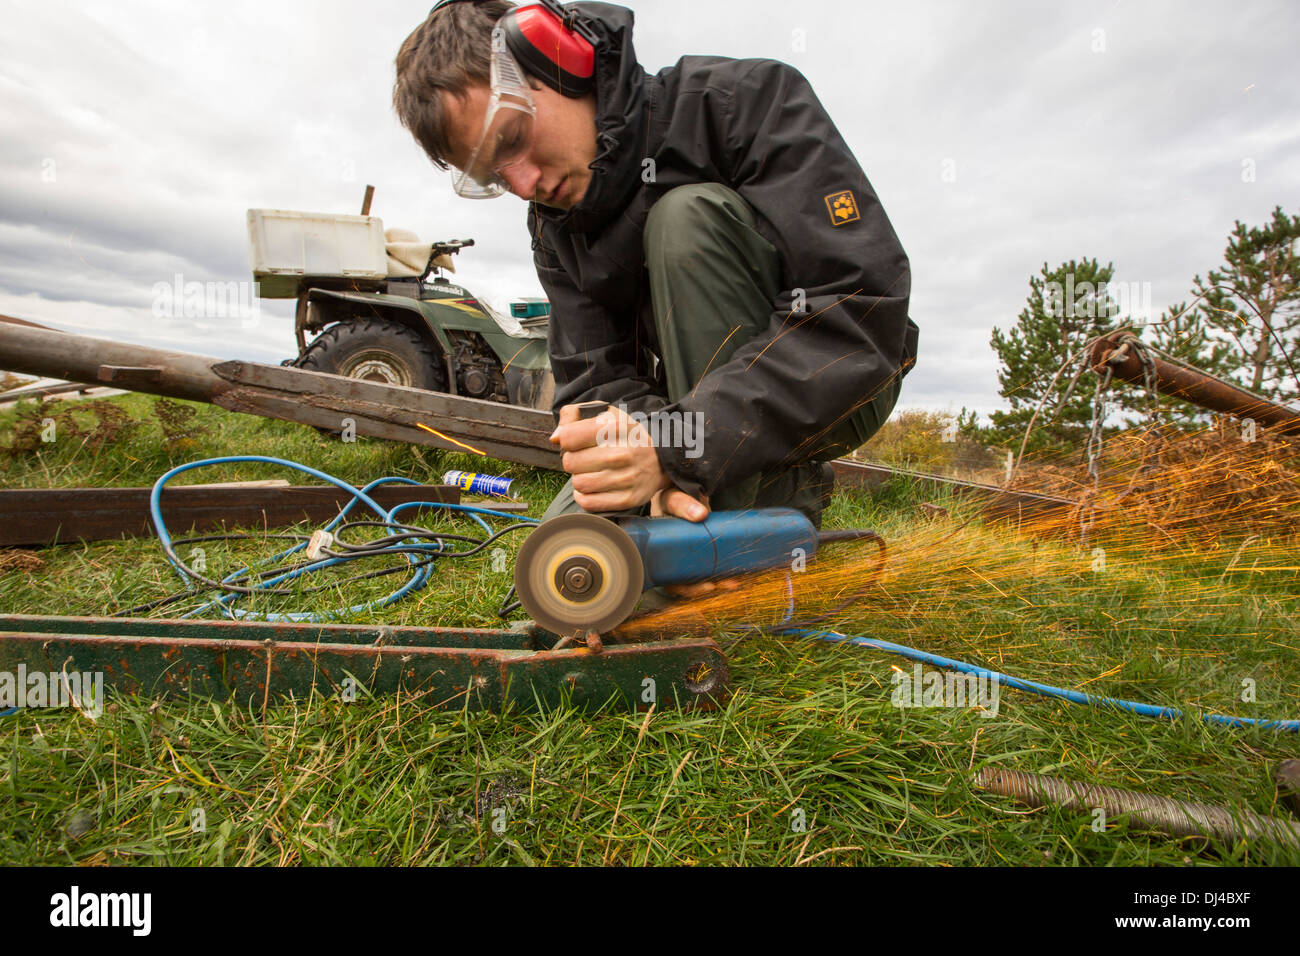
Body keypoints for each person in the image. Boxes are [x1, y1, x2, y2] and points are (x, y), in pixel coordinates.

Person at [394, 0, 918, 536]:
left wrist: (675, 448)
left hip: (846, 382)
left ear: (561, 60)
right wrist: (640, 453)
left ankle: (749, 527)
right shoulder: (554, 226)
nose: (525, 184)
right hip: (685, 421)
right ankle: (732, 500)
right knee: (571, 540)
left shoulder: (747, 102)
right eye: (496, 176)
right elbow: (592, 383)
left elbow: (859, 307)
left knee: (684, 218)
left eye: (512, 138)